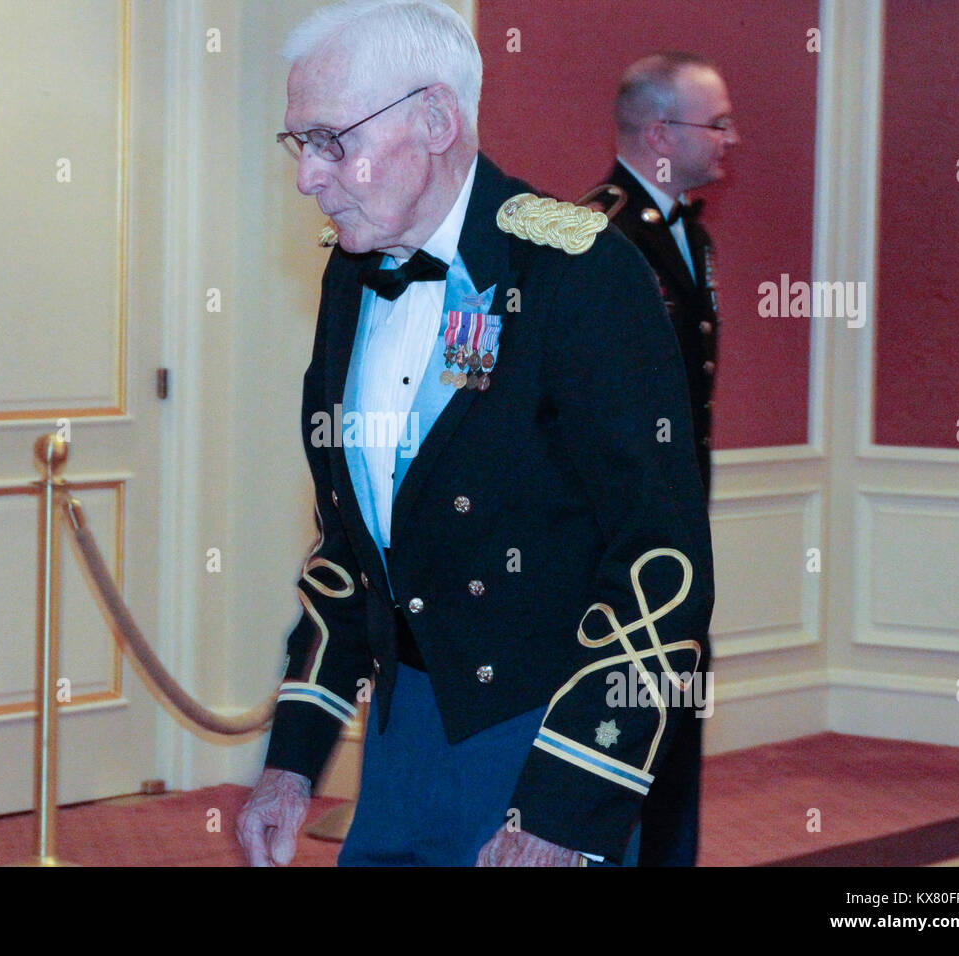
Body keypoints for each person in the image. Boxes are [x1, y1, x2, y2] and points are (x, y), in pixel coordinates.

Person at [237, 0, 713, 867]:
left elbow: (661, 563)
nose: (308, 176)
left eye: (331, 140)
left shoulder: (582, 264)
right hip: (402, 731)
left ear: (436, 120)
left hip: (542, 731)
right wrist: (294, 757)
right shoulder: (351, 274)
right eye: (297, 144)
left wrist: (570, 799)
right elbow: (348, 541)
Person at [585, 52, 738, 867]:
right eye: (716, 124)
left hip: (678, 545)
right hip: (615, 559)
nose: (730, 139)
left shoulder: (695, 238)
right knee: (617, 746)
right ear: (658, 133)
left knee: (677, 738)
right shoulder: (595, 237)